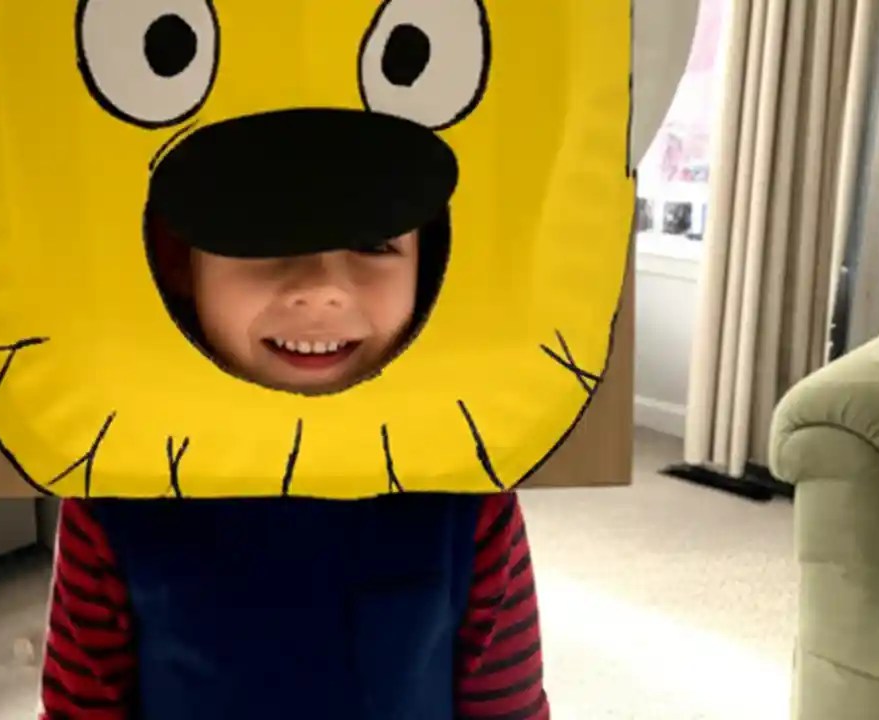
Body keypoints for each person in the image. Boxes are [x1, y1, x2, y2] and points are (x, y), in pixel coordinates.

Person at [38, 220, 550, 720]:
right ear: (180, 262)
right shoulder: (115, 490)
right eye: (262, 234)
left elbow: (509, 705)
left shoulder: (471, 496)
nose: (320, 287)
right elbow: (77, 707)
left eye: (373, 241)